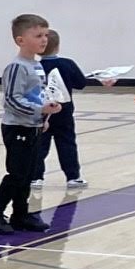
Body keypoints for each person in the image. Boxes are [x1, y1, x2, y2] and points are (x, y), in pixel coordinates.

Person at [0, 14, 61, 235]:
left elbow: (37, 95)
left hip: (32, 126)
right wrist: (39, 110)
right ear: (20, 40)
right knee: (16, 173)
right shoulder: (17, 67)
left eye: (45, 35)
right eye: (38, 35)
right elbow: (12, 100)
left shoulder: (36, 65)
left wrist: (46, 112)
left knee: (28, 173)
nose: (44, 40)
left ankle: (21, 213)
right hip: (17, 127)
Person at [37, 28, 113, 191]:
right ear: (58, 46)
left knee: (40, 144)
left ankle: (36, 177)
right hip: (64, 112)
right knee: (67, 143)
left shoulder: (34, 66)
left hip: (41, 112)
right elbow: (80, 83)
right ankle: (73, 177)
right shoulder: (67, 64)